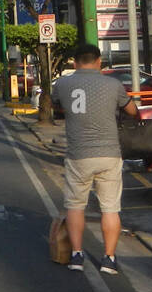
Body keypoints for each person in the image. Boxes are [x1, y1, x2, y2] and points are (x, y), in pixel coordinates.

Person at [52, 44, 140, 275]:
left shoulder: (63, 83)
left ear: (75, 62)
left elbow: (56, 105)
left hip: (78, 155)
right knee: (110, 209)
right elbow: (132, 111)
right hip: (109, 154)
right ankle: (109, 259)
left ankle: (77, 255)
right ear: (99, 61)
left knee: (75, 206)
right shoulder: (113, 84)